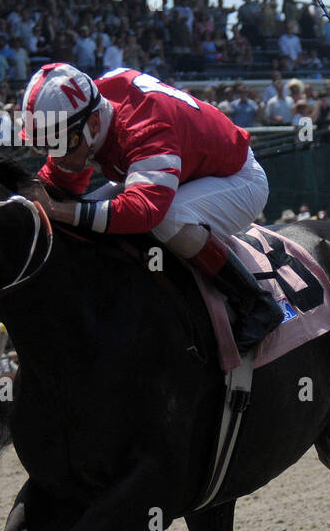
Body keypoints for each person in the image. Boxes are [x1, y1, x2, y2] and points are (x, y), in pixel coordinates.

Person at [21, 63, 283, 350]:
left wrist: (59, 210)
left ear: (94, 124)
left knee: (166, 218)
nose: (54, 156)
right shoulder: (89, 110)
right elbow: (60, 185)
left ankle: (255, 302)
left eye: (61, 142)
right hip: (181, 169)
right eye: (44, 145)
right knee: (86, 211)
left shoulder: (144, 125)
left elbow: (144, 211)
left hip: (237, 178)